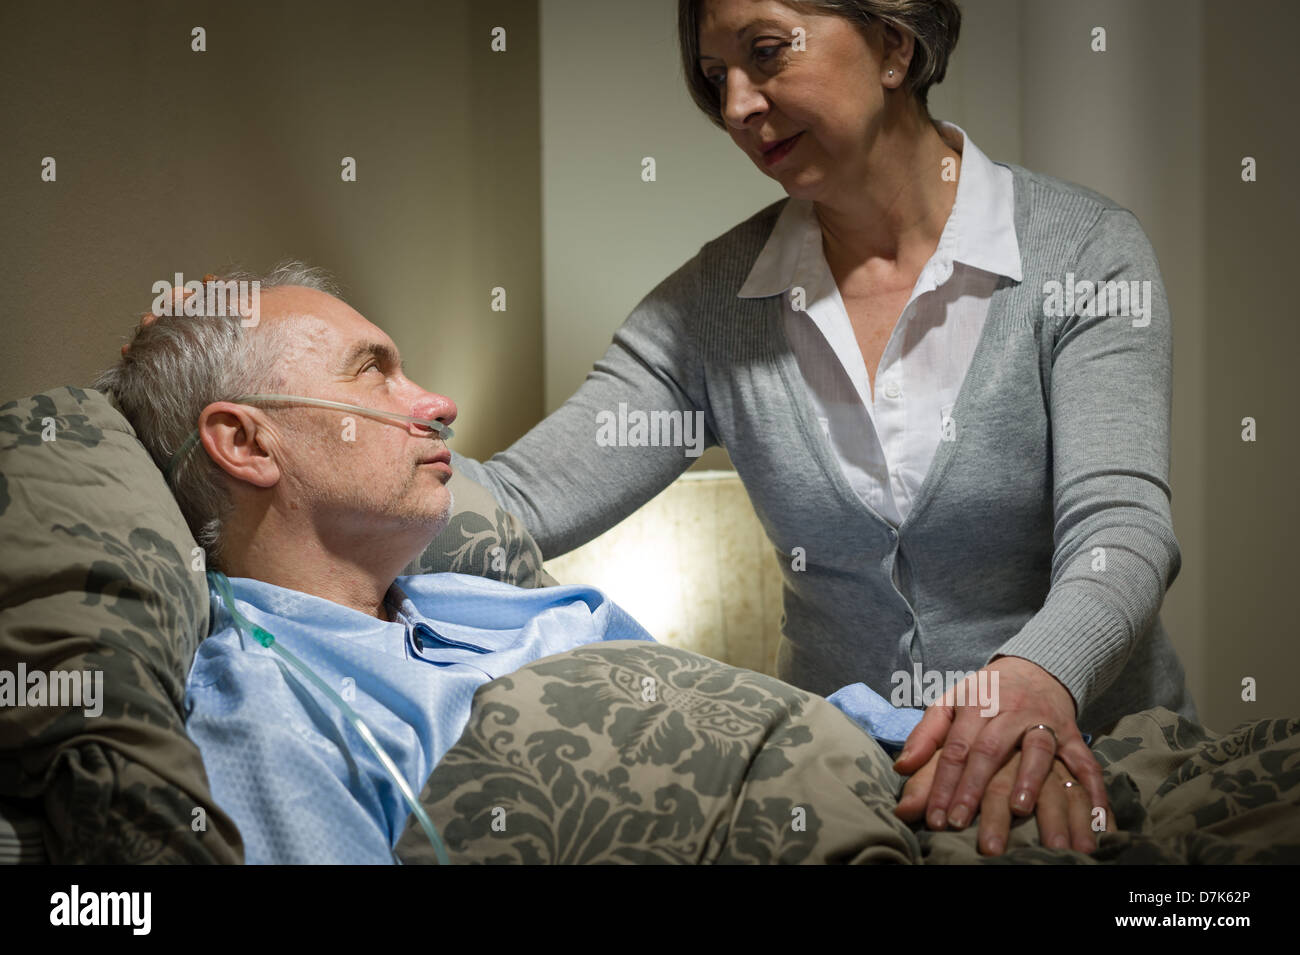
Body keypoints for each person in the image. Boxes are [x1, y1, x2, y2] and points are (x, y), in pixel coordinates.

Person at [448, 0, 1196, 844]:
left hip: (1095, 758)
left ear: (892, 45)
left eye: (765, 54)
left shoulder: (1084, 253)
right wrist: (327, 437)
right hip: (854, 797)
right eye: (713, 76)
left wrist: (1038, 677)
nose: (734, 106)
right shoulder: (711, 308)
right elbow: (520, 498)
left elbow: (1120, 525)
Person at [99, 268, 1097, 861]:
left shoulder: (496, 606)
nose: (440, 401)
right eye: (374, 370)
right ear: (247, 444)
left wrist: (971, 738)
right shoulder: (267, 709)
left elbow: (752, 723)